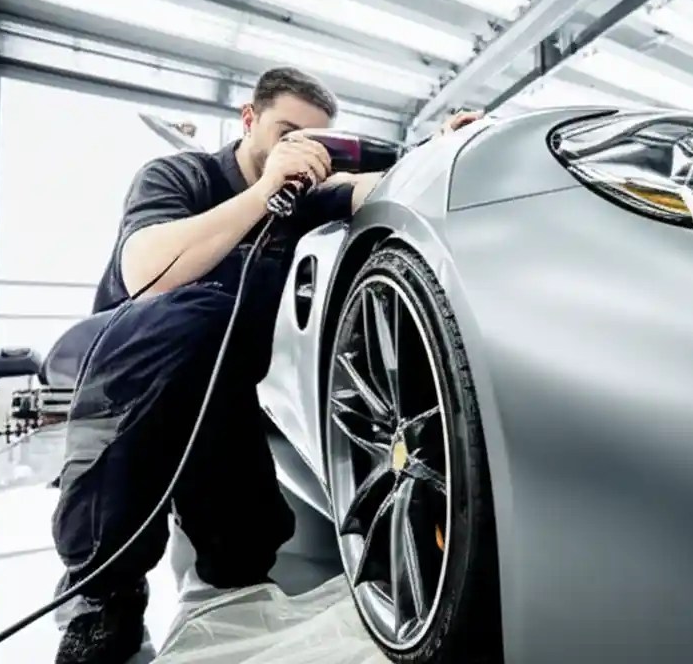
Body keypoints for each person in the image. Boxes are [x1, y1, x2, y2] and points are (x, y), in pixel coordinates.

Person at [49, 66, 481, 664]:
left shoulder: (307, 199)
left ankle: (231, 565)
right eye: (285, 133)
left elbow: (376, 187)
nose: (300, 151)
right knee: (196, 309)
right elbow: (144, 273)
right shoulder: (179, 175)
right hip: (127, 367)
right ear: (249, 120)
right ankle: (104, 596)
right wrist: (260, 196)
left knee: (244, 556)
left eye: (315, 141)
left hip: (222, 384)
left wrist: (447, 151)